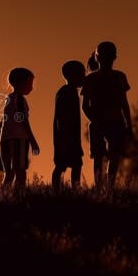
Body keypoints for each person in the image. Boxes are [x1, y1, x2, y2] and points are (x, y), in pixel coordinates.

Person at [81, 42, 132, 191]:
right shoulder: (90, 79)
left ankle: (108, 186)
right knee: (100, 156)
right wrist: (95, 120)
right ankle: (100, 187)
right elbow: (85, 105)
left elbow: (124, 104)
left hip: (115, 122)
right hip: (101, 122)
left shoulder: (119, 77)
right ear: (97, 57)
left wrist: (128, 124)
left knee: (112, 155)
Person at [0, 68, 40, 190]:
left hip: (5, 140)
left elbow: (3, 122)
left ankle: (4, 197)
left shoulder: (8, 99)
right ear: (19, 83)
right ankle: (19, 197)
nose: (31, 88)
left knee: (9, 173)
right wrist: (32, 140)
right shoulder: (20, 99)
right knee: (20, 173)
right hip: (19, 139)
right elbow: (23, 120)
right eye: (29, 84)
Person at [51, 61, 86, 192]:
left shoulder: (72, 92)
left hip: (72, 138)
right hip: (64, 137)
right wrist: (64, 137)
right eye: (82, 74)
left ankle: (75, 190)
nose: (84, 77)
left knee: (77, 164)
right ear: (72, 75)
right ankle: (56, 191)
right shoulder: (65, 92)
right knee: (61, 165)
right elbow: (61, 117)